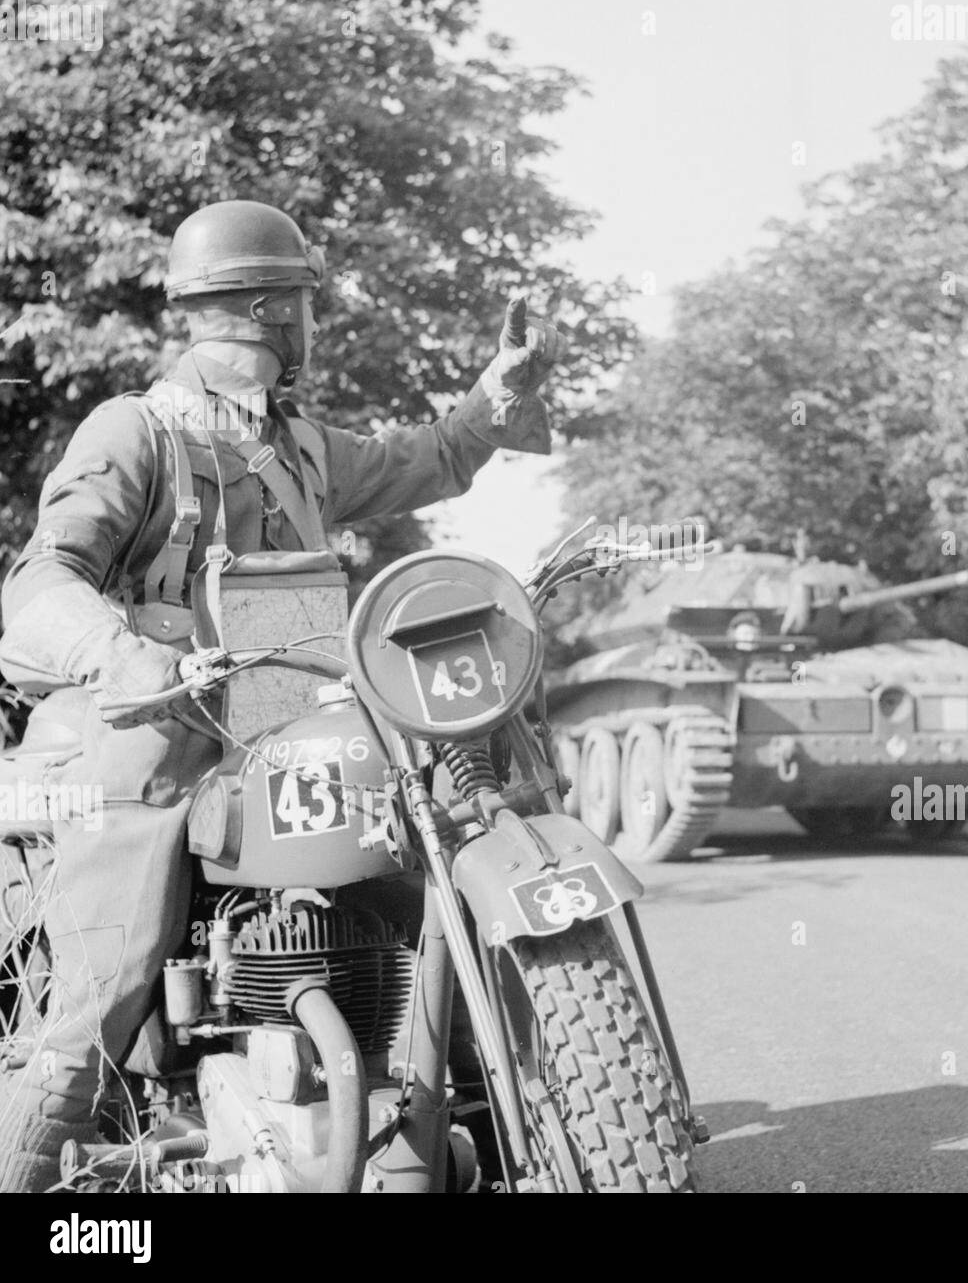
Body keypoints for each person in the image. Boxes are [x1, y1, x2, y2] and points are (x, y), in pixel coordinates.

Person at [0, 200, 566, 1191]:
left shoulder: (302, 445)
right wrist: (124, 656)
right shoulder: (134, 430)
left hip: (285, 724)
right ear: (269, 308)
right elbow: (40, 579)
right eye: (302, 301)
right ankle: (49, 1115)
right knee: (115, 928)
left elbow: (428, 458)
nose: (311, 321)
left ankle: (498, 1084)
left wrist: (498, 390)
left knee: (434, 831)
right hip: (148, 727)